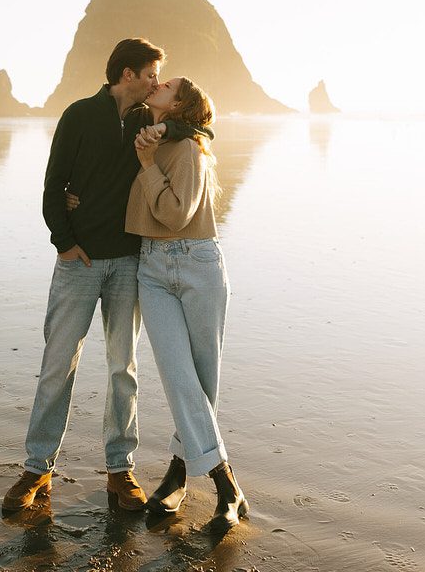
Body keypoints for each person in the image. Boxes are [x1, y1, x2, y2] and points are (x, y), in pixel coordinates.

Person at [2, 38, 203, 515]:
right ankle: (37, 468)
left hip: (129, 262)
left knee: (122, 369)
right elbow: (54, 185)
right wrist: (64, 241)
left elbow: (196, 127)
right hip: (79, 262)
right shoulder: (78, 115)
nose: (156, 81)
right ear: (128, 74)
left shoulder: (147, 124)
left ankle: (120, 470)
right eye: (151, 73)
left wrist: (167, 127)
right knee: (58, 366)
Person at [126, 76, 248, 528]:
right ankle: (228, 487)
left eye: (169, 84)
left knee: (200, 381)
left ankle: (179, 474)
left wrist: (146, 163)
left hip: (197, 263)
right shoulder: (144, 138)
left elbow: (176, 214)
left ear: (179, 105)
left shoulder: (192, 149)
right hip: (151, 268)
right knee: (180, 378)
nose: (157, 82)